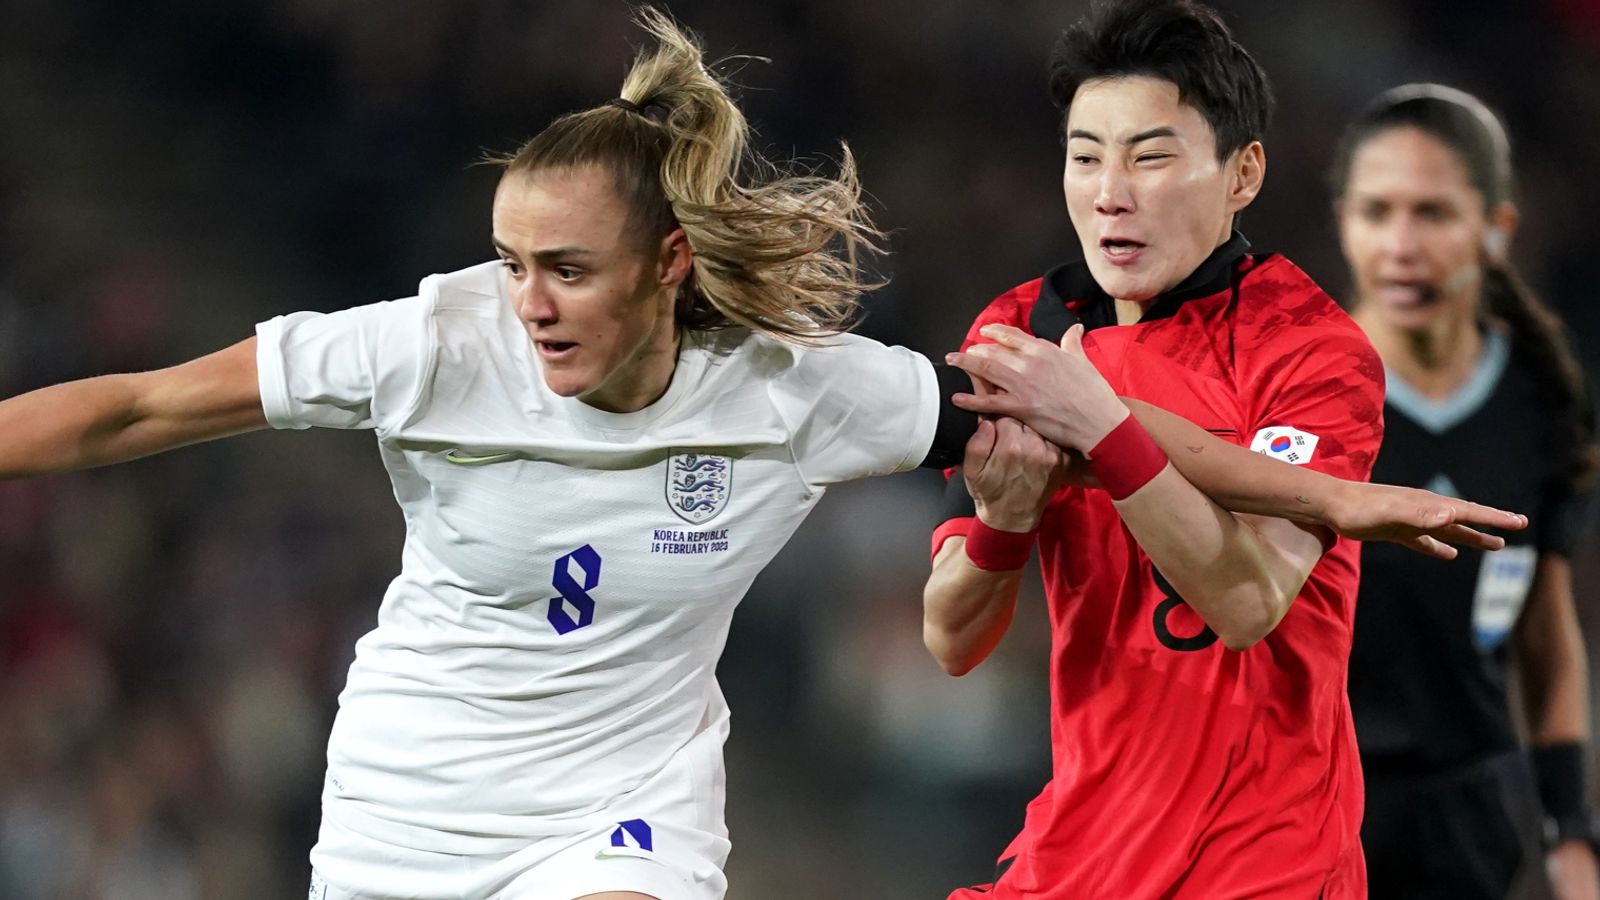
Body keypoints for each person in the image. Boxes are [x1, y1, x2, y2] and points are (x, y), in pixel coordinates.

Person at [0, 9, 1523, 900]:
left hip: (641, 809)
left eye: (568, 270)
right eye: (508, 260)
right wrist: (1014, 526)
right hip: (419, 791)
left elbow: (1156, 492)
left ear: (668, 265)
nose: (525, 302)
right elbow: (132, 407)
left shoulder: (806, 388)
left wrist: (1318, 493)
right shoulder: (426, 343)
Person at [930, 0, 1415, 896]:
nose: (1111, 190)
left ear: (1243, 174)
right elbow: (950, 639)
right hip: (1083, 852)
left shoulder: (1311, 351)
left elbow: (1248, 599)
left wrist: (1101, 427)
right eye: (1085, 158)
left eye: (1151, 157)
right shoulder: (1024, 332)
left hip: (1264, 856)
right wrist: (1001, 521)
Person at [1334, 83, 1600, 900]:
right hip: (1310, 816)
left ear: (1495, 229)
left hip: (1472, 824)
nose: (1401, 244)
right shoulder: (1294, 393)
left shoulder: (1541, 399)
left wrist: (1572, 834)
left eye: (1434, 213)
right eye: (1376, 213)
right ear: (1342, 221)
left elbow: (1546, 636)